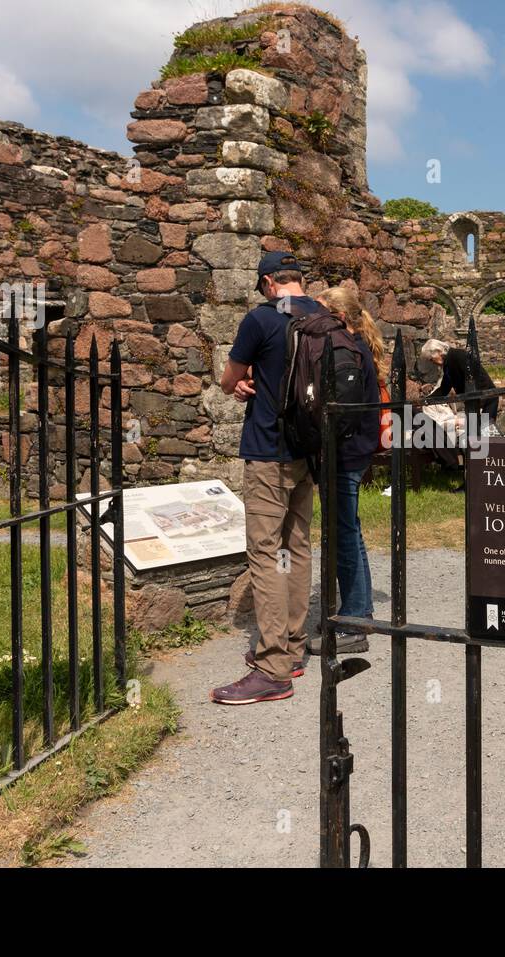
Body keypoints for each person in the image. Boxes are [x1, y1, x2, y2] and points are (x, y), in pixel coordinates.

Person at [210, 252, 316, 706]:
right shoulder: (326, 317)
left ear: (269, 282)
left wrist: (241, 379)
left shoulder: (261, 319)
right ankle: (293, 647)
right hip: (309, 452)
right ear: (301, 282)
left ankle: (273, 666)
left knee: (266, 552)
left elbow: (227, 378)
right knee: (298, 547)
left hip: (269, 450)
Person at [308, 286, 381, 656]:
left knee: (344, 533)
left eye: (320, 310)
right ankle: (359, 611)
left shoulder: (346, 349)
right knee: (349, 530)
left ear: (337, 314)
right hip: (355, 450)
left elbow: (346, 409)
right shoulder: (355, 345)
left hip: (346, 451)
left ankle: (353, 620)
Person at [421, 338, 501, 436]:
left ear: (438, 351)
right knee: (478, 433)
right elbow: (444, 388)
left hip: (485, 398)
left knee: (487, 432)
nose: (432, 362)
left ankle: (495, 449)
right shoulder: (448, 363)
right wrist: (427, 400)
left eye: (431, 359)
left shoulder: (457, 356)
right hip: (474, 400)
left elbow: (475, 379)